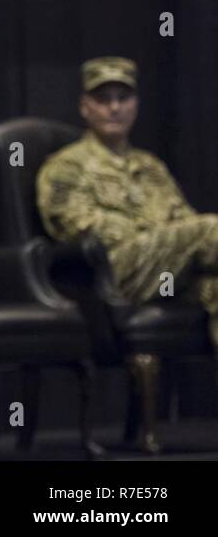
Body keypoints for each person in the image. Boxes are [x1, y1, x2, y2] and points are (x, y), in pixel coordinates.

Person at [37, 57, 218, 350]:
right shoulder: (67, 166)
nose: (114, 108)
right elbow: (74, 228)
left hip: (167, 271)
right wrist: (153, 233)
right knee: (210, 228)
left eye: (124, 98)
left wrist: (172, 239)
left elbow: (184, 219)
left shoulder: (151, 167)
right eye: (103, 99)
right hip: (112, 272)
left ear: (136, 105)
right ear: (85, 106)